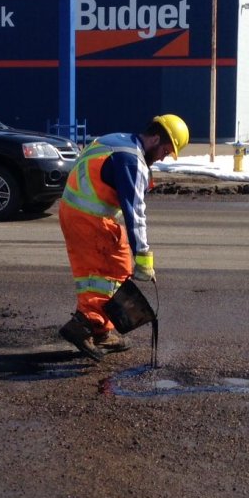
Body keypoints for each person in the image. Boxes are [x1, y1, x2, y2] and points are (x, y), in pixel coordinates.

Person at [57, 113, 189, 360]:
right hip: (90, 217)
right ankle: (84, 325)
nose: (163, 158)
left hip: (78, 212)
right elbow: (135, 211)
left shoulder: (118, 141)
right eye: (166, 151)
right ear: (155, 139)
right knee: (107, 274)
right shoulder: (132, 160)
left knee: (105, 272)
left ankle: (102, 330)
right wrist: (143, 255)